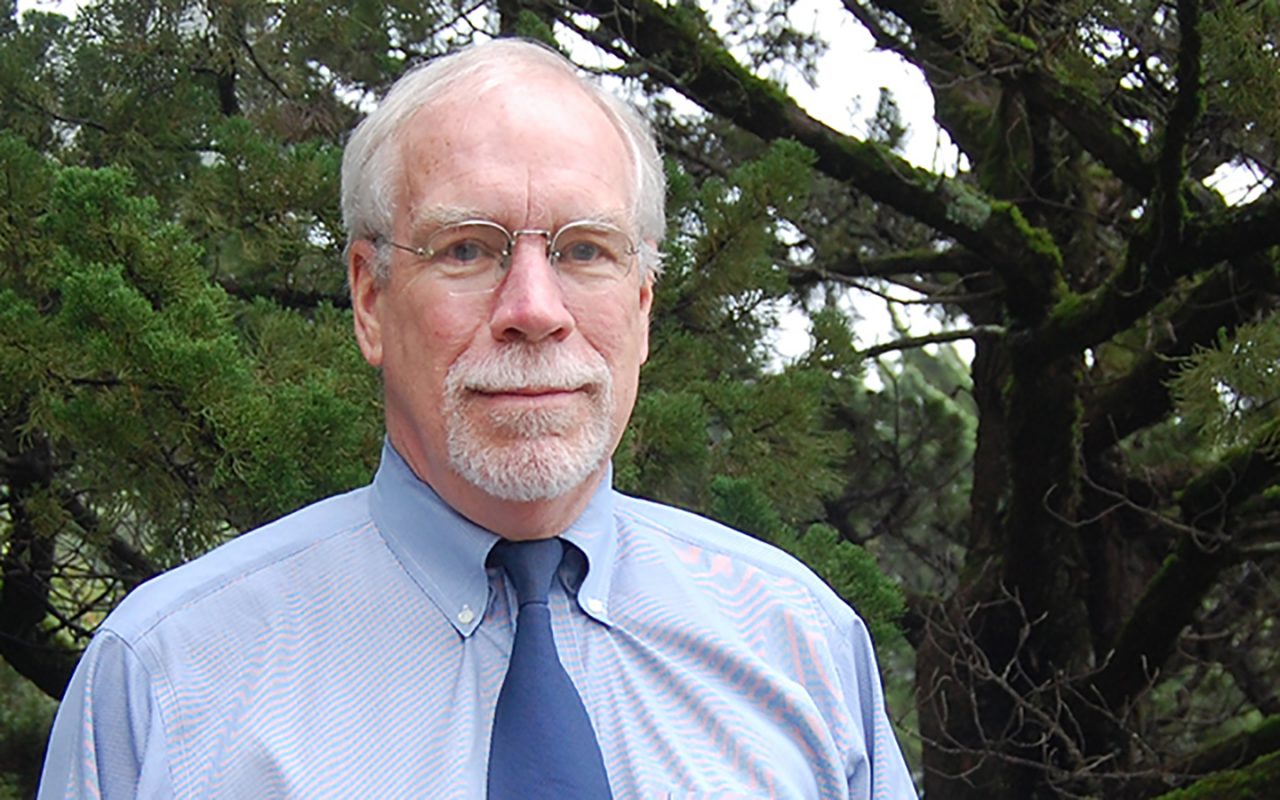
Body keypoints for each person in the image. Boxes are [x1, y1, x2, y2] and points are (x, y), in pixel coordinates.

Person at [38, 38, 917, 799]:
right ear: (370, 297)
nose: (533, 308)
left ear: (643, 303)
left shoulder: (803, 647)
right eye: (467, 249)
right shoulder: (165, 679)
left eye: (584, 251)